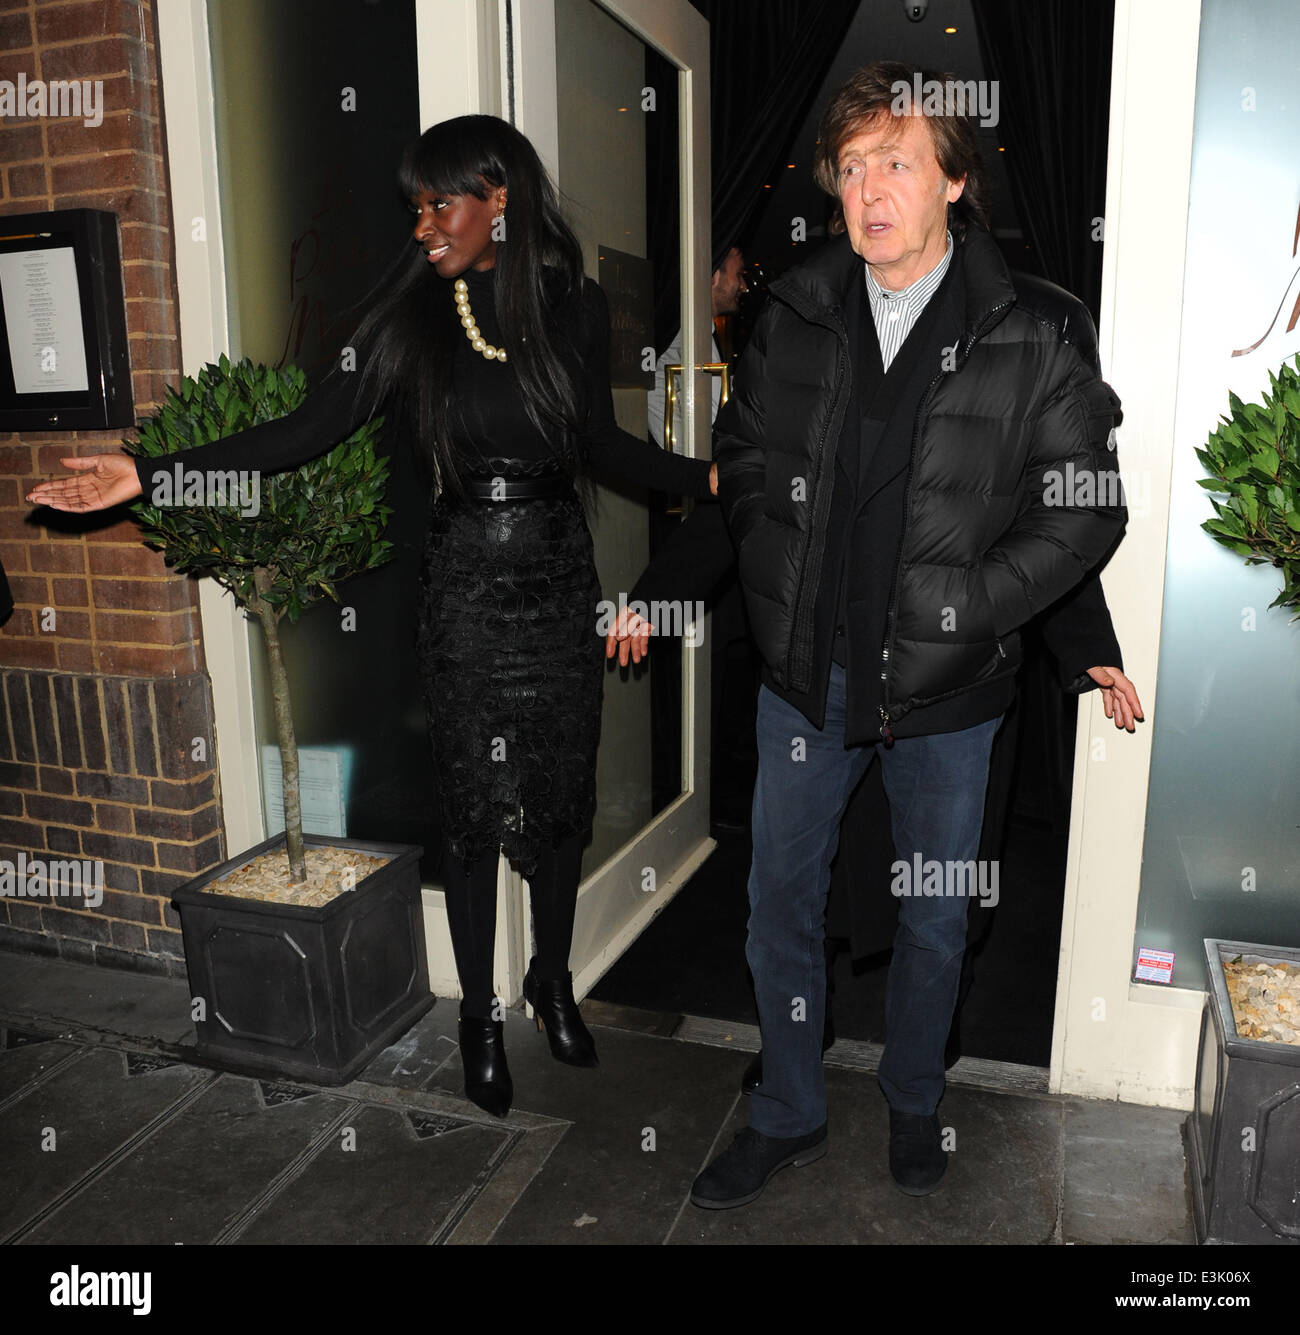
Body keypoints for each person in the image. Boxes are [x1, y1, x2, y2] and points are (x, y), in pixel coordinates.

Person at [27, 114, 716, 1122]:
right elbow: (304, 431)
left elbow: (602, 447)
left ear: (502, 197)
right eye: (417, 205)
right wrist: (149, 474)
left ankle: (552, 983)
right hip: (466, 593)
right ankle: (479, 1014)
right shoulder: (407, 320)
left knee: (559, 802)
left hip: (556, 580)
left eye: (443, 201)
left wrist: (707, 474)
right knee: (477, 817)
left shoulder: (568, 307)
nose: (425, 224)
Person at [689, 59, 1129, 1207]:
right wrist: (757, 543)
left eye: (896, 162)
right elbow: (736, 459)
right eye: (850, 167)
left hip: (949, 688)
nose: (868, 188)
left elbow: (1086, 504)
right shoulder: (790, 312)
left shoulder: (1030, 328)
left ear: (952, 185)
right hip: (804, 678)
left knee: (937, 913)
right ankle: (785, 1107)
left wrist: (975, 608)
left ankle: (915, 1099)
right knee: (777, 903)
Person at [645, 244, 747, 451]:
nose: (744, 286)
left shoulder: (698, 333)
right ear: (714, 277)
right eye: (739, 275)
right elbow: (655, 397)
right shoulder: (683, 337)